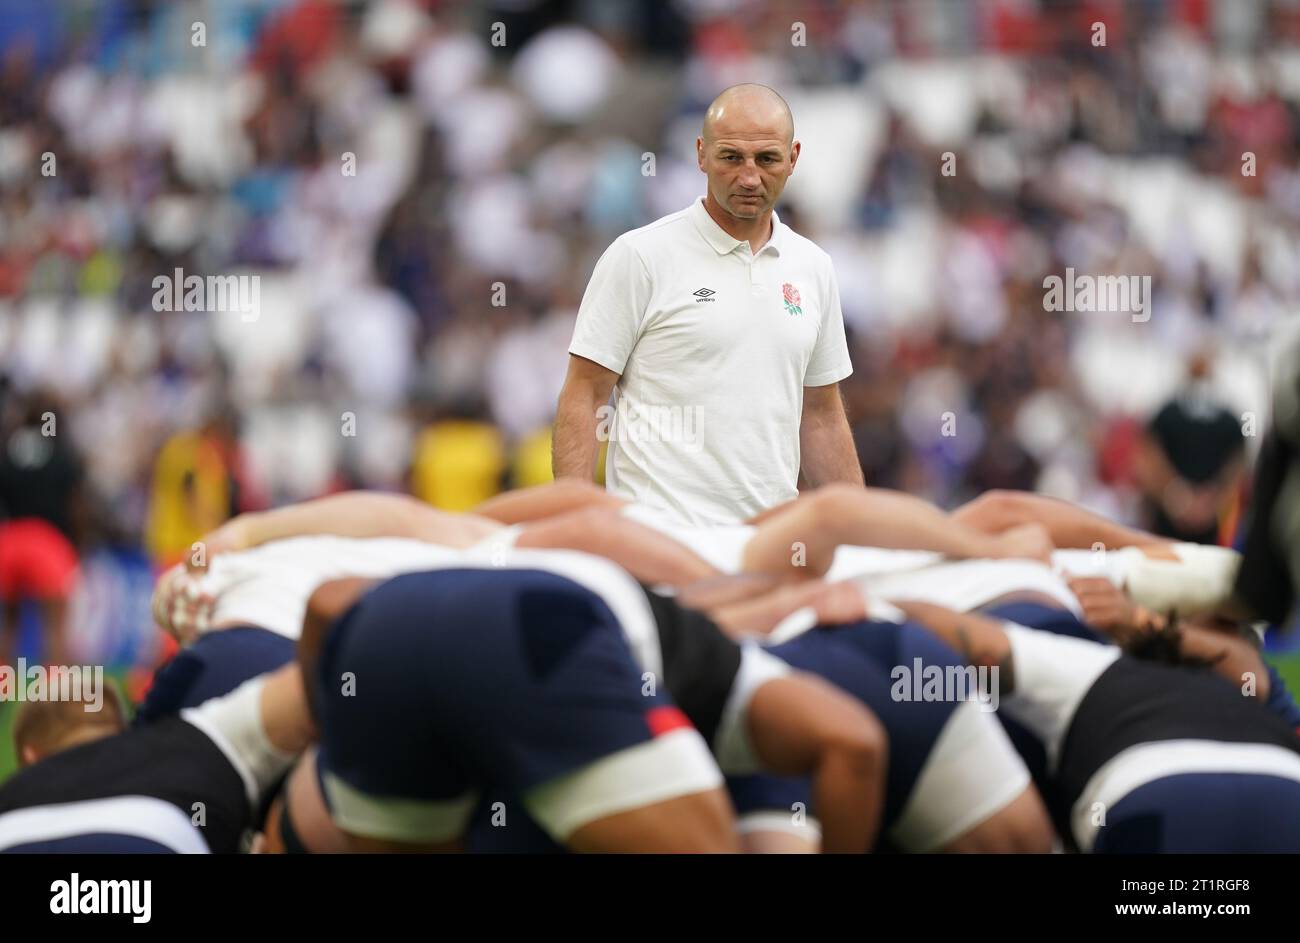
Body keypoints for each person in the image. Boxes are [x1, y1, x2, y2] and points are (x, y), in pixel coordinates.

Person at [553, 84, 861, 525]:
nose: (750, 177)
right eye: (731, 157)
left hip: (766, 551)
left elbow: (822, 415)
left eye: (767, 159)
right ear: (701, 154)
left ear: (793, 158)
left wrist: (856, 536)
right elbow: (585, 395)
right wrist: (576, 523)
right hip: (660, 542)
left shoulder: (813, 267)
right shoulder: (641, 256)